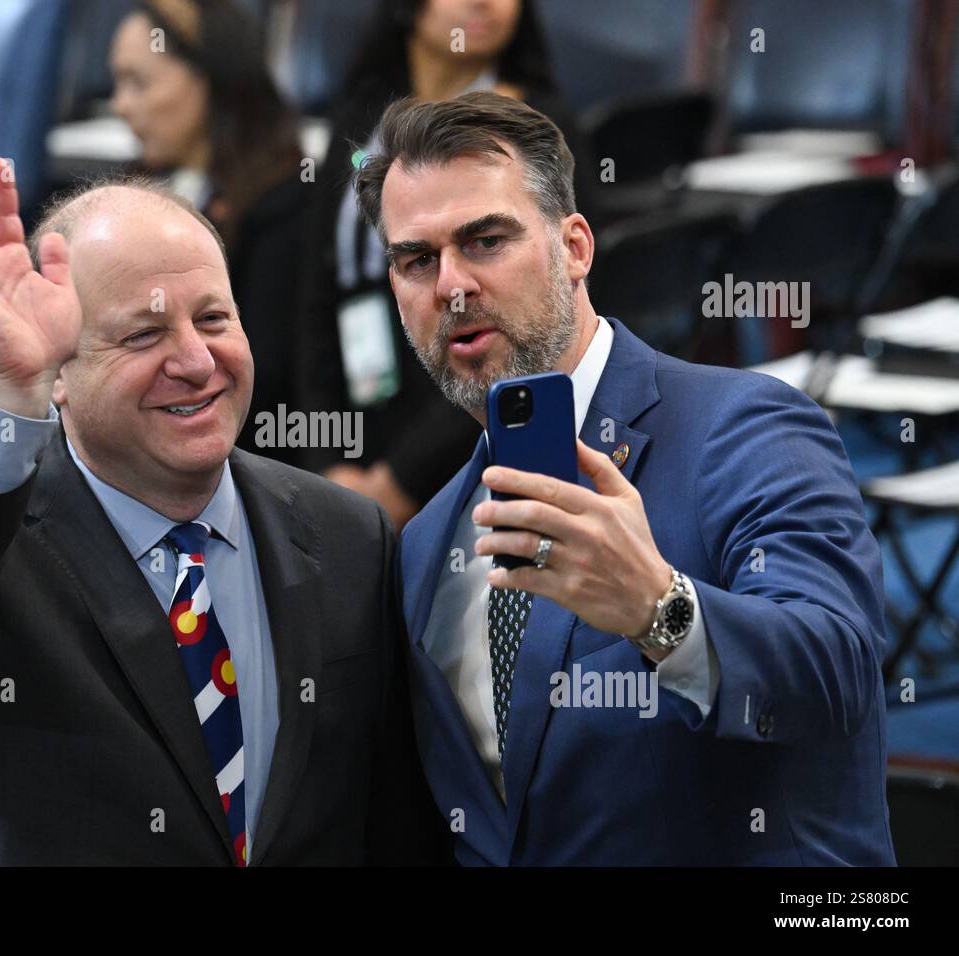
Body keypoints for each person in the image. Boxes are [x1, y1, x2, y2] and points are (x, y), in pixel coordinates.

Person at [0, 153, 447, 865]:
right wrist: (11, 392)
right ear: (60, 372)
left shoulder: (348, 534)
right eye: (143, 335)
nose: (195, 360)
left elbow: (394, 824)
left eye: (214, 318)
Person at [354, 92, 896, 865]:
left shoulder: (745, 427)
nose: (452, 285)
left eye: (485, 240)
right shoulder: (424, 544)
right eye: (417, 260)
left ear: (575, 247)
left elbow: (837, 674)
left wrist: (658, 609)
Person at [296, 0, 593, 530]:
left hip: (467, 446)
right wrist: (330, 461)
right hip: (358, 429)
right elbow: (316, 296)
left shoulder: (534, 128)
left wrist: (399, 481)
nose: (485, 4)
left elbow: (527, 339)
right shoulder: (362, 115)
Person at [108, 0, 308, 464]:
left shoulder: (282, 202)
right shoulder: (130, 191)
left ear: (210, 81)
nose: (120, 105)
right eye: (117, 82)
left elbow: (266, 378)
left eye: (138, 82)